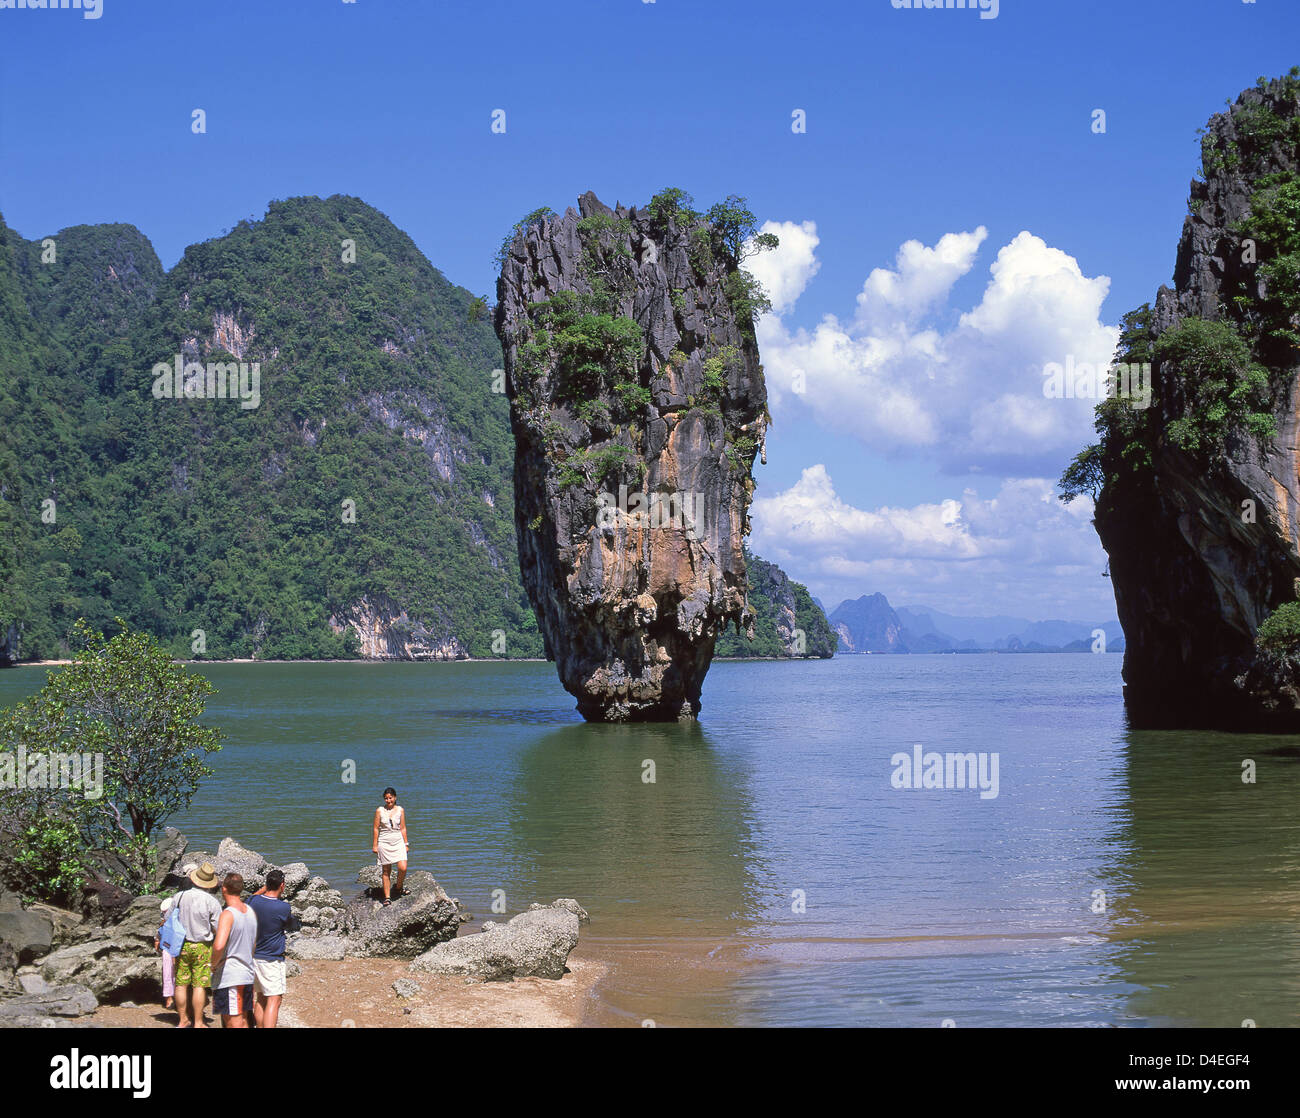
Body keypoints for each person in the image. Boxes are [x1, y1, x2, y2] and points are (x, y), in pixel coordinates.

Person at [247, 868, 301, 1028]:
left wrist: (265, 888)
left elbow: (253, 897)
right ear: (282, 885)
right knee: (274, 1000)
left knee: (261, 997)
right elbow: (291, 924)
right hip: (271, 958)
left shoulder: (253, 901)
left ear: (266, 884)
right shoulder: (282, 908)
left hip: (254, 956)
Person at [173, 862, 223, 1028]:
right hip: (202, 945)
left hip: (181, 944)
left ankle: (182, 1019)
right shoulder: (212, 901)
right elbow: (218, 928)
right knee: (199, 985)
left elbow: (169, 920)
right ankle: (199, 1022)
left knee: (181, 983)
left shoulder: (179, 897)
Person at [210, 872, 257, 1029]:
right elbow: (253, 943)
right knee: (243, 1018)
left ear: (224, 889)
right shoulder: (250, 911)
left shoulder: (228, 914)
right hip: (247, 972)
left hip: (231, 974)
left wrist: (213, 964)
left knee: (233, 1020)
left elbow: (218, 945)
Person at [372, 787, 409, 905]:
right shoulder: (379, 810)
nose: (388, 800)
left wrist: (406, 843)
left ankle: (398, 887)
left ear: (395, 797)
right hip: (384, 841)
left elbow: (403, 828)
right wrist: (375, 845)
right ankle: (387, 897)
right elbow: (375, 828)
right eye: (386, 798)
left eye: (390, 798)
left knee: (403, 867)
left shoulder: (400, 810)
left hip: (398, 840)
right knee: (386, 870)